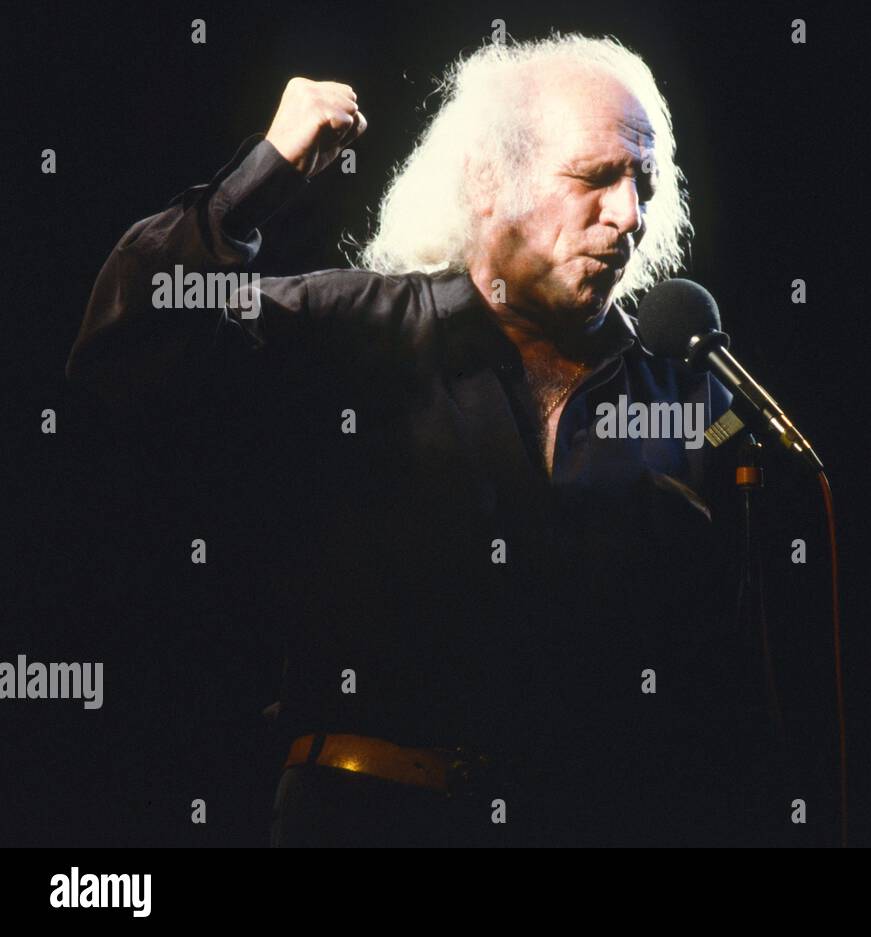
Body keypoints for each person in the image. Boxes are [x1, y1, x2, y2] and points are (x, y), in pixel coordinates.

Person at [67, 35, 773, 846]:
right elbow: (119, 349)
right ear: (486, 182)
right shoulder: (351, 328)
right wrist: (255, 183)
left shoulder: (691, 397)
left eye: (644, 184)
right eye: (596, 176)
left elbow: (731, 677)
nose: (629, 215)